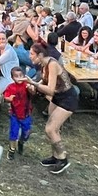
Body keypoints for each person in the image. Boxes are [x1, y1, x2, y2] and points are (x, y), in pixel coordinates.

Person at [29, 40, 76, 174]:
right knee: (53, 129)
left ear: (40, 55)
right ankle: (55, 156)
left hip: (68, 99)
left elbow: (49, 90)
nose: (29, 56)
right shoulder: (44, 65)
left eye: (32, 54)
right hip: (58, 98)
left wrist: (33, 83)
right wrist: (34, 86)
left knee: (50, 129)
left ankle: (63, 158)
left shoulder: (52, 64)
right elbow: (44, 82)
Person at [3, 67, 34, 155]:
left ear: (24, 76)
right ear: (12, 78)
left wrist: (31, 88)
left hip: (26, 114)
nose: (19, 78)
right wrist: (9, 98)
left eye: (21, 75)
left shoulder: (26, 85)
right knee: (13, 133)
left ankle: (21, 141)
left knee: (26, 132)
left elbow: (33, 92)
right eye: (16, 76)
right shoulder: (10, 87)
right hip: (15, 114)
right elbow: (6, 97)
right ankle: (12, 149)